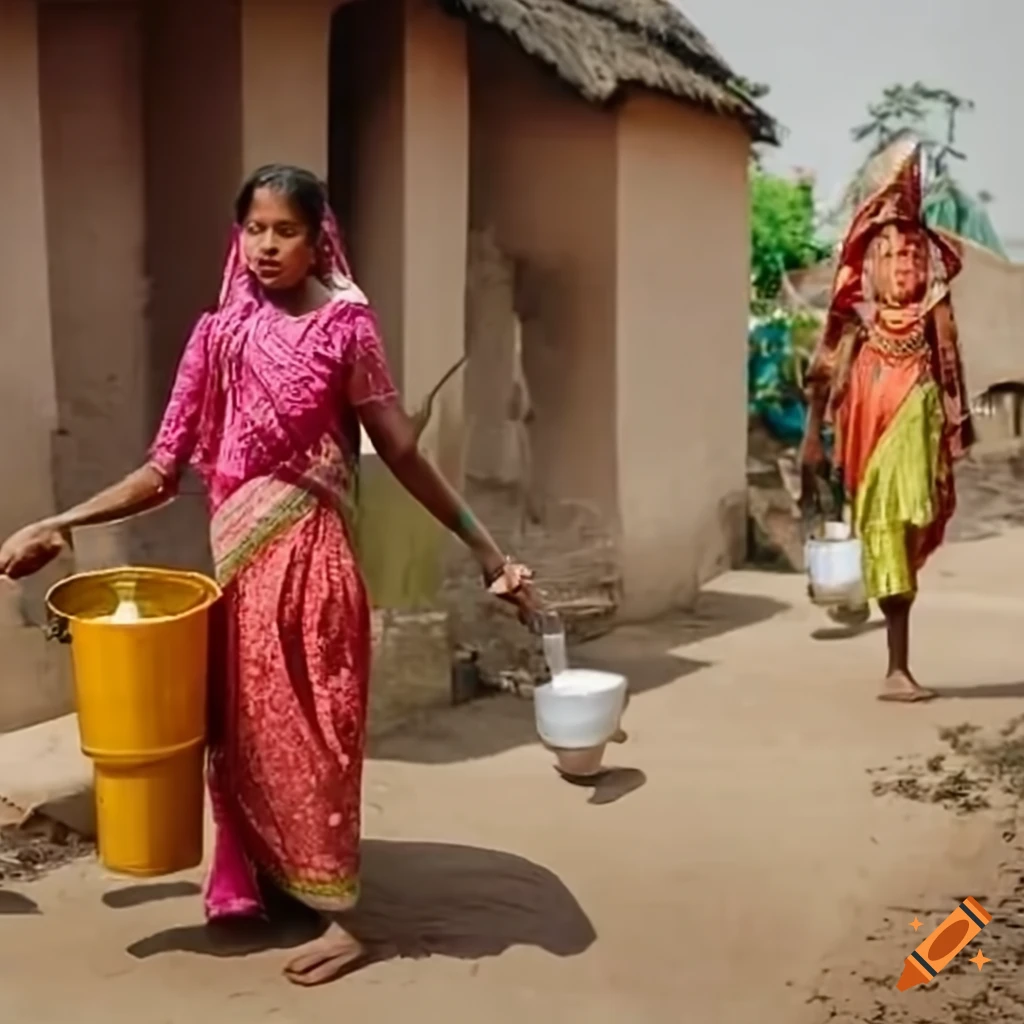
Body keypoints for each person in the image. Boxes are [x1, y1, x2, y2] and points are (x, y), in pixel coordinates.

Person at [0, 165, 537, 984]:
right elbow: (160, 469)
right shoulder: (217, 336)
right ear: (237, 234)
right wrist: (59, 524)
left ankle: (347, 920)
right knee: (244, 740)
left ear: (318, 235)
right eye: (255, 229)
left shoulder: (344, 330)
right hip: (240, 574)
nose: (267, 246)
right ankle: (276, 883)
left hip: (316, 568)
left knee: (315, 733)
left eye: (286, 230)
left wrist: (489, 550)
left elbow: (398, 451)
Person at [801, 137, 973, 702]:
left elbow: (952, 368)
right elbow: (825, 368)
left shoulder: (933, 309)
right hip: (865, 432)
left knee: (908, 522)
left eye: (914, 257)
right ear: (873, 265)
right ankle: (896, 667)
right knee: (886, 526)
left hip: (916, 427)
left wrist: (956, 426)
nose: (906, 266)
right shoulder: (858, 311)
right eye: (895, 256)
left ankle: (896, 656)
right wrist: (811, 440)